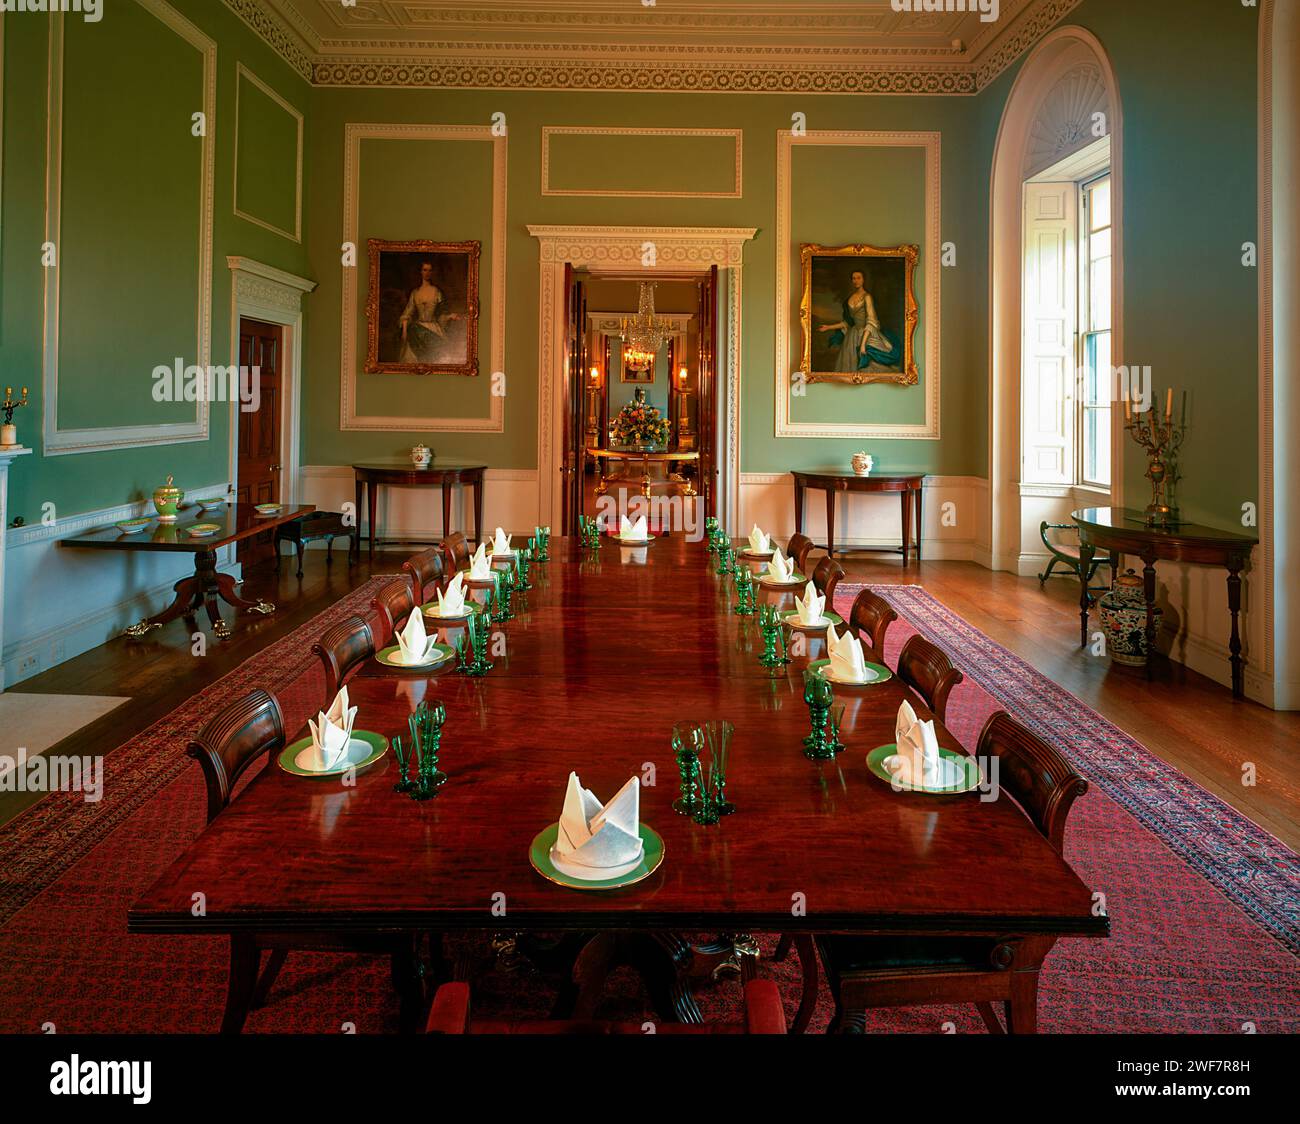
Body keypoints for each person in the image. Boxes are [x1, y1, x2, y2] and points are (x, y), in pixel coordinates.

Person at [818, 269, 902, 373]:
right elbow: (847, 323)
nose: (856, 281)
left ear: (863, 280)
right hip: (852, 336)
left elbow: (871, 321)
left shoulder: (867, 297)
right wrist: (828, 327)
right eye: (854, 278)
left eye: (858, 278)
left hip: (866, 333)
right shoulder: (850, 298)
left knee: (870, 366)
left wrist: (863, 344)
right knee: (849, 366)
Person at [398, 261, 462, 364]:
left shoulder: (437, 292)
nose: (427, 273)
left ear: (432, 273)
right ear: (421, 272)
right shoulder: (415, 293)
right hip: (416, 330)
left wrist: (450, 316)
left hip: (434, 328)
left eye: (430, 270)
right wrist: (405, 331)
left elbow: (441, 316)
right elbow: (407, 313)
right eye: (425, 270)